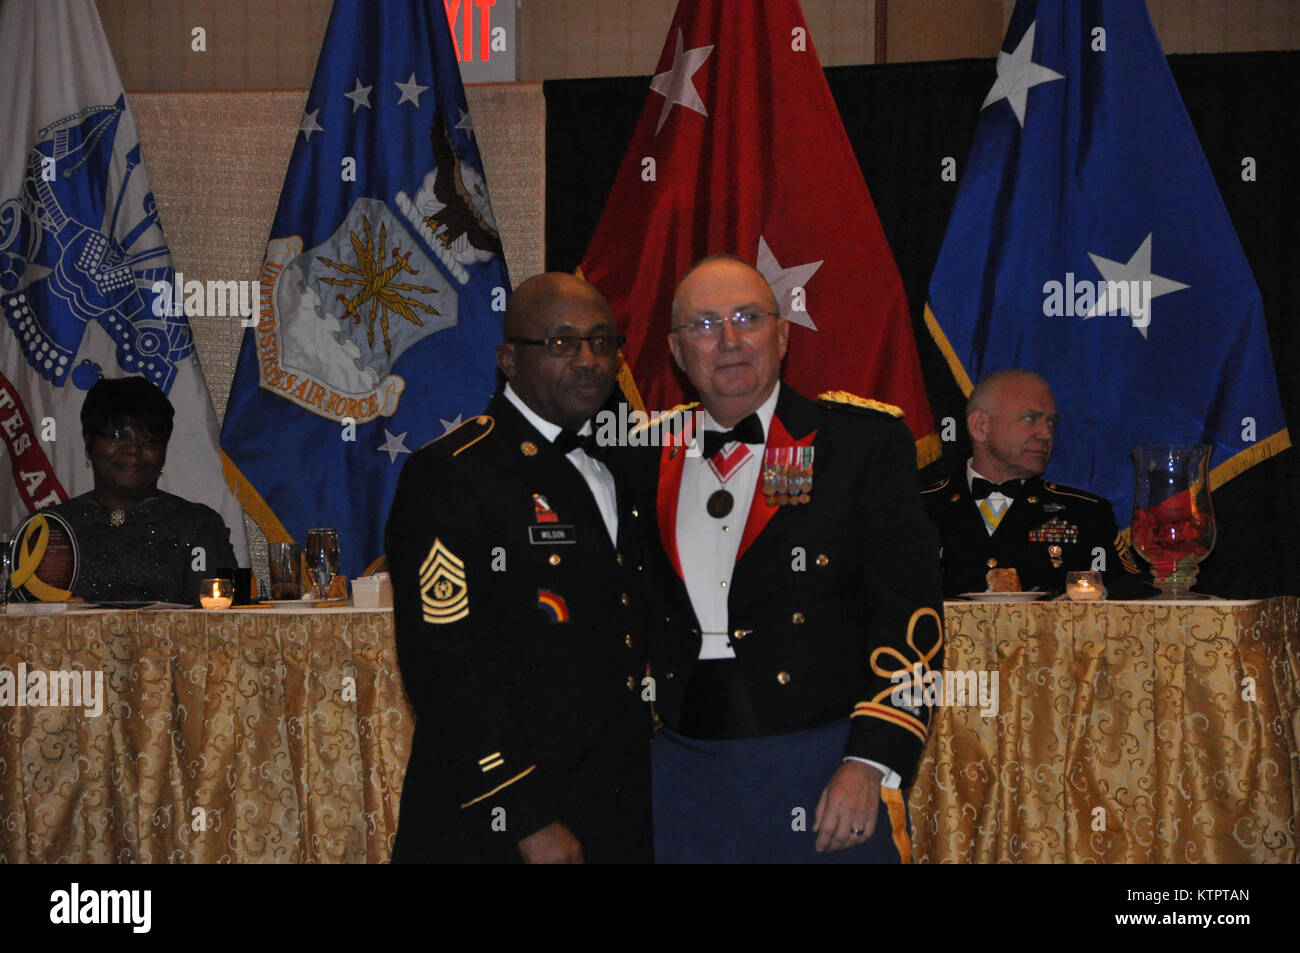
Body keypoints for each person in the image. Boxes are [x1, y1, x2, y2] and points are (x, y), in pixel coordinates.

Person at [637, 254, 944, 863]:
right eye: (703, 324)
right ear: (675, 351)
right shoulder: (644, 453)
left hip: (824, 766)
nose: (727, 340)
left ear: (781, 335)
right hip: (679, 773)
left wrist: (871, 761)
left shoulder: (859, 445)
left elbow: (911, 614)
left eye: (747, 318)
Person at [385, 273, 653, 863]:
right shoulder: (455, 473)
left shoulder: (625, 465)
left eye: (603, 342)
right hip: (499, 815)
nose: (588, 360)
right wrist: (526, 817)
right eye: (561, 343)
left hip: (613, 799)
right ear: (509, 359)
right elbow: (444, 667)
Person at [922, 369, 1145, 597]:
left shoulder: (1087, 513)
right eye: (1030, 419)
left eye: (1051, 422)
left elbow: (1130, 592)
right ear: (980, 426)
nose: (1046, 434)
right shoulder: (918, 508)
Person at [36, 377, 236, 605]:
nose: (133, 449)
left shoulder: (198, 526)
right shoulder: (50, 528)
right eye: (117, 436)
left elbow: (217, 624)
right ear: (88, 442)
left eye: (148, 440)